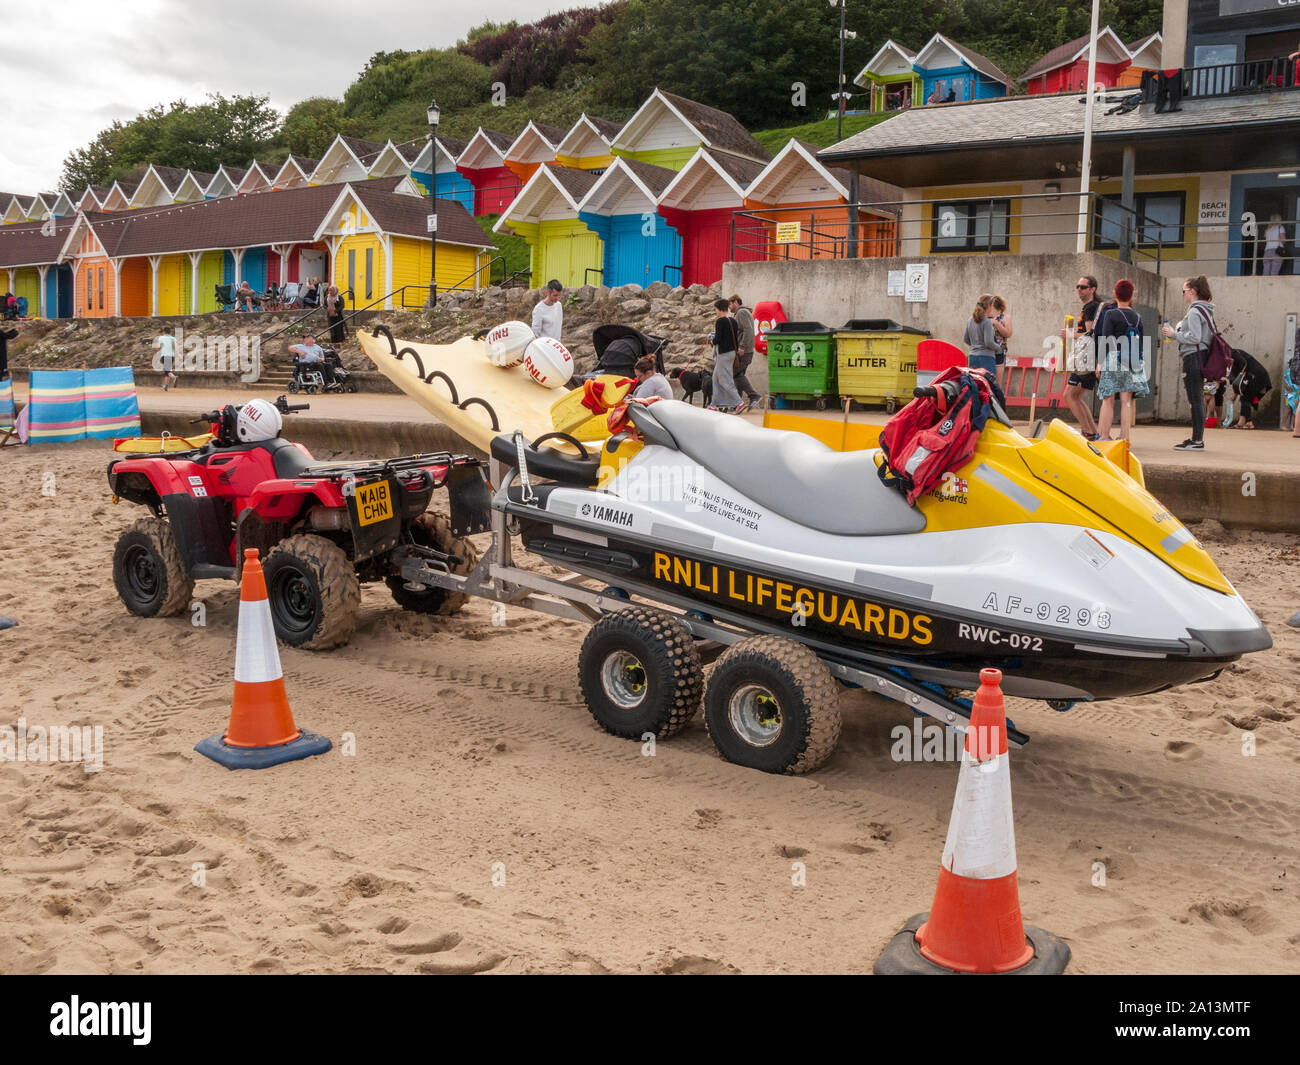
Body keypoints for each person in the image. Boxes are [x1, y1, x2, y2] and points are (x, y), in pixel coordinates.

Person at [1161, 274, 1216, 450]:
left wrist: (1174, 334)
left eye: (1183, 291)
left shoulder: (1194, 311)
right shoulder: (1205, 310)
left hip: (1193, 357)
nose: (1183, 294)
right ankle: (1196, 438)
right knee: (1197, 399)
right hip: (1202, 357)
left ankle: (1197, 440)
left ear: (1192, 291)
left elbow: (1194, 337)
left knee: (1195, 400)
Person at [1093, 280, 1148, 442]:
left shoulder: (1111, 314)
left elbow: (1105, 340)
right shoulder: (1138, 317)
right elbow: (1141, 343)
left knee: (1108, 399)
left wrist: (1099, 363)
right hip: (1132, 360)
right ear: (1132, 296)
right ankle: (1124, 437)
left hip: (1113, 358)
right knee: (1126, 400)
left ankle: (1104, 435)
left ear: (1115, 294)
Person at [1061, 275, 1102, 440]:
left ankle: (1089, 432)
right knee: (1076, 395)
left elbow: (1090, 334)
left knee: (1069, 395)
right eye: (1077, 286)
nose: (1079, 289)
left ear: (1092, 289)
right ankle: (1091, 431)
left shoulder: (1091, 307)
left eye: (1083, 287)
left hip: (1086, 358)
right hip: (1090, 357)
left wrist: (1070, 334)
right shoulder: (1092, 306)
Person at [709, 298, 745, 413]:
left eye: (715, 309)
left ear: (719, 309)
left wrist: (712, 341)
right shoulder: (733, 320)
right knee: (715, 377)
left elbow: (718, 338)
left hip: (723, 354)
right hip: (731, 353)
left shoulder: (720, 321)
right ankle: (714, 404)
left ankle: (739, 402)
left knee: (725, 379)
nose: (716, 312)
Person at [727, 293, 761, 408]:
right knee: (738, 375)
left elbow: (748, 330)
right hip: (745, 350)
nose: (729, 307)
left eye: (730, 304)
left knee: (735, 374)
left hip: (744, 352)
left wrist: (742, 347)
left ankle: (753, 396)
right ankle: (737, 403)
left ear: (736, 302)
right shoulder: (741, 313)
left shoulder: (741, 313)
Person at [1228, 349, 1272, 430]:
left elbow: (1243, 363)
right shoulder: (1229, 360)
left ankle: (1249, 422)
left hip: (1258, 377)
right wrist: (1235, 394)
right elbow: (1237, 382)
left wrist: (1242, 373)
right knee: (1244, 397)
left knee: (1245, 397)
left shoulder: (1232, 353)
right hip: (1253, 377)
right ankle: (1241, 422)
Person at [963, 294, 998, 376]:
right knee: (988, 385)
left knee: (975, 384)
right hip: (986, 358)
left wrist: (976, 345)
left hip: (972, 357)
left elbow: (966, 339)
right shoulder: (987, 321)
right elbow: (989, 342)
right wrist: (998, 348)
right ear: (989, 306)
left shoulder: (970, 320)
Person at [989, 295, 1013, 393]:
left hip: (999, 352)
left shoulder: (1005, 318)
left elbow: (1008, 333)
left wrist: (997, 324)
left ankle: (998, 404)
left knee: (997, 383)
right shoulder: (985, 317)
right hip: (986, 352)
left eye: (991, 306)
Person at [154, 326, 179, 391]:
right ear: (170, 332)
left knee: (167, 371)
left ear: (164, 331)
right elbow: (175, 347)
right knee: (167, 371)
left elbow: (159, 347)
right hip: (172, 356)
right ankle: (166, 386)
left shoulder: (161, 338)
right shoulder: (173, 338)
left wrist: (156, 349)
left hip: (165, 356)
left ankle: (174, 377)